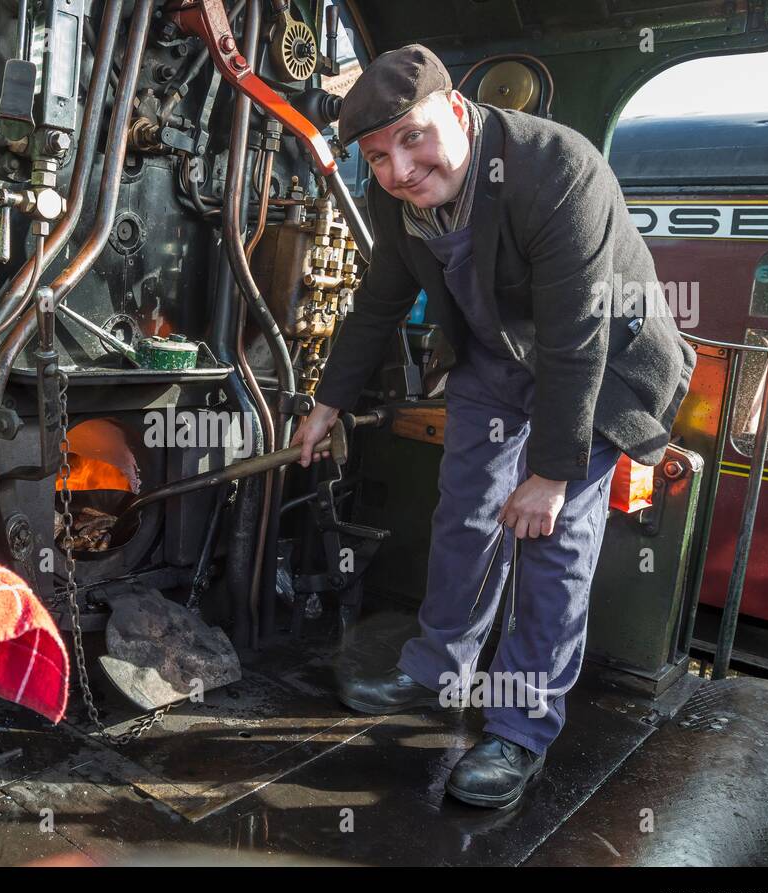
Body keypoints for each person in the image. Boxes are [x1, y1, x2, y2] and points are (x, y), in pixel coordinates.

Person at [291, 44, 695, 810]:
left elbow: (578, 334)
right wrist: (327, 401)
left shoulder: (556, 169)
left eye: (412, 138)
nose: (400, 170)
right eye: (377, 157)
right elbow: (379, 300)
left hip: (600, 371)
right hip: (495, 358)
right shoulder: (395, 194)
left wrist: (549, 474)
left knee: (552, 543)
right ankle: (439, 664)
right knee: (466, 510)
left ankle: (520, 729)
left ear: (456, 109)